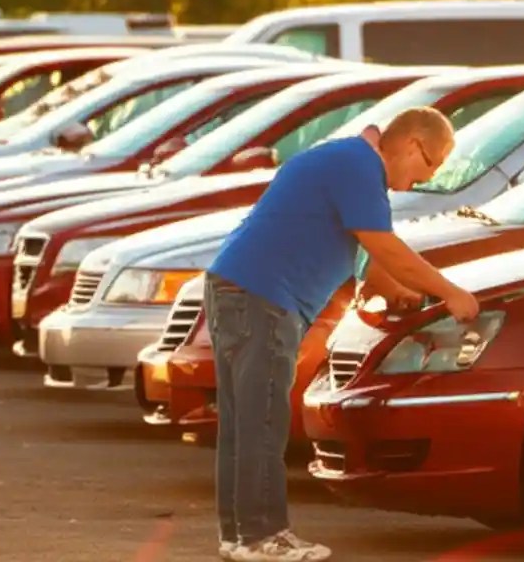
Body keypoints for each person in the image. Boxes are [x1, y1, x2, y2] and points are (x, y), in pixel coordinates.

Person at [203, 107, 480, 562]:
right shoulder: (358, 167)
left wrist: (399, 294)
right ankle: (261, 537)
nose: (419, 181)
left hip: (237, 290)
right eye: (430, 166)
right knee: (264, 422)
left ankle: (240, 535)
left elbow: (365, 260)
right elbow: (386, 246)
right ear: (413, 144)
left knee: (244, 424)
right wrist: (451, 293)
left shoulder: (345, 160)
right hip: (263, 298)